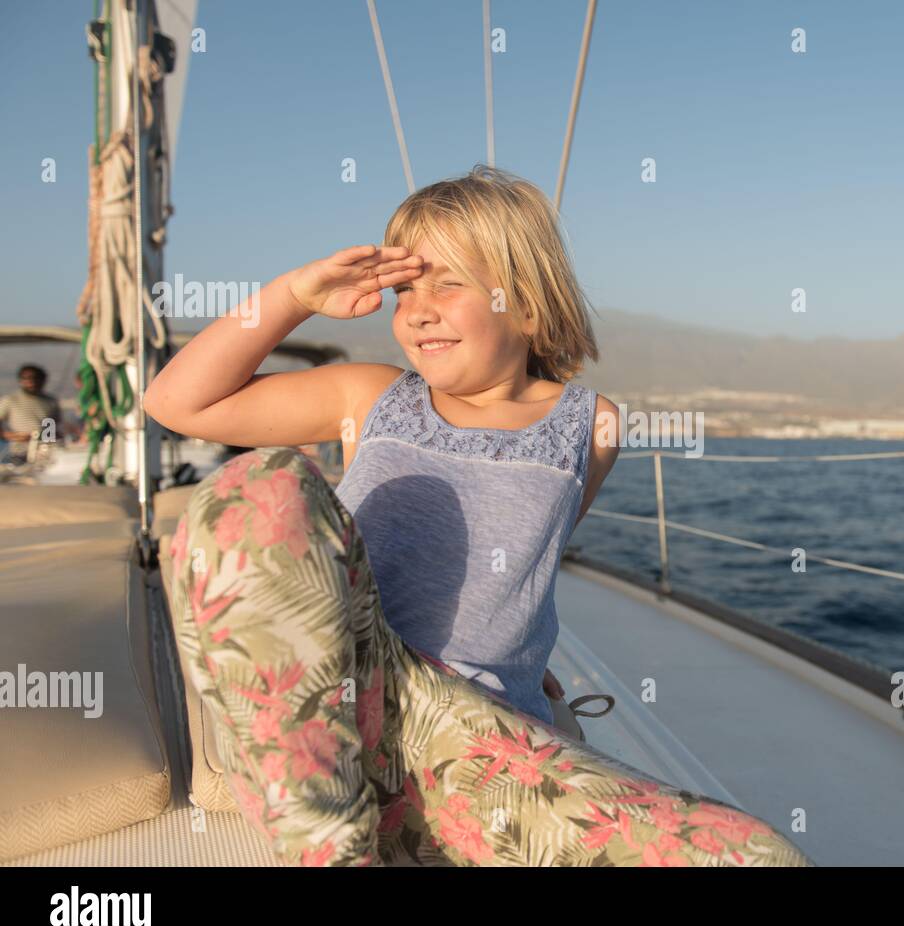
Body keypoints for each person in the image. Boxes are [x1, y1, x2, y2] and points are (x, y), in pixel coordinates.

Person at [142, 165, 813, 867]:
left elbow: (528, 569)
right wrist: (293, 297)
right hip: (340, 710)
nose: (417, 308)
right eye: (405, 288)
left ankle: (383, 835)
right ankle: (326, 840)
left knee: (756, 857)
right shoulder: (369, 398)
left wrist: (529, 671)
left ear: (526, 303)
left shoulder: (592, 426)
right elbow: (178, 404)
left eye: (447, 283)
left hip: (474, 747)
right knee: (259, 485)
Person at [0, 365, 62, 465]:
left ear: (42, 380)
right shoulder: (10, 400)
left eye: (35, 378)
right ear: (20, 380)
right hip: (19, 452)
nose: (31, 381)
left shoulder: (51, 402)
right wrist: (10, 436)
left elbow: (53, 428)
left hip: (45, 452)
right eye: (26, 378)